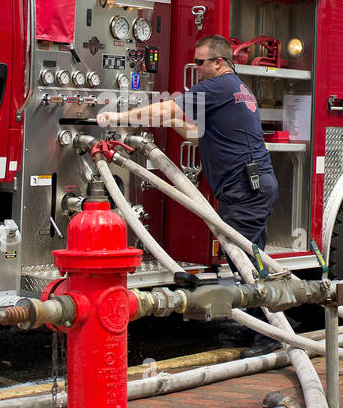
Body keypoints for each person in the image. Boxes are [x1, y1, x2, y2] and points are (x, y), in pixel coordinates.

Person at [98, 34, 279, 355]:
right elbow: (196, 135)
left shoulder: (219, 86)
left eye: (200, 62)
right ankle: (258, 326)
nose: (195, 68)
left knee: (246, 261)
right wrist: (164, 121)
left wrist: (117, 117)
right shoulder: (235, 89)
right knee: (247, 259)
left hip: (244, 187)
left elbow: (170, 106)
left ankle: (271, 335)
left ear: (219, 62)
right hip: (250, 185)